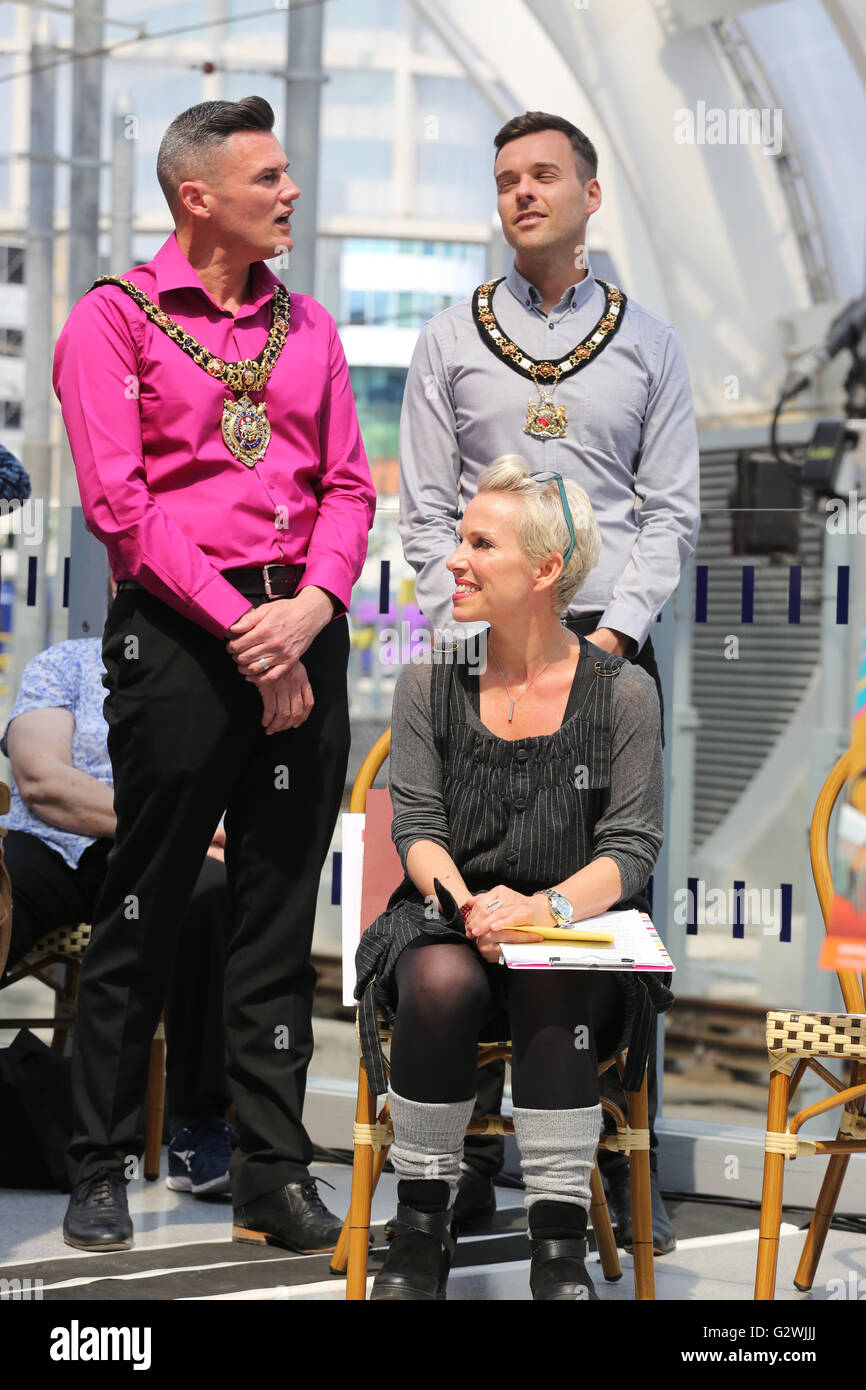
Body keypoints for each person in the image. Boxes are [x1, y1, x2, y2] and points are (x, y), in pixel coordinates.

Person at [52, 96, 376, 1253]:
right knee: (144, 899)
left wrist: (312, 609)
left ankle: (270, 1170)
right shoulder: (112, 320)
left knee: (277, 922)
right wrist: (255, 630)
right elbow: (120, 507)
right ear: (199, 197)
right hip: (185, 639)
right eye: (269, 178)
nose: (290, 193)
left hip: (299, 620)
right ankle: (94, 1161)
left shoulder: (313, 327)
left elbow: (350, 486)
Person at [398, 110, 700, 1250]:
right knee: (471, 887)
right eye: (505, 179)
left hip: (606, 649)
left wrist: (610, 641)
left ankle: (617, 1173)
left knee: (610, 897)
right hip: (485, 651)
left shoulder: (651, 343)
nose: (522, 193)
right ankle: (464, 1161)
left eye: (543, 176)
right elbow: (428, 513)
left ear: (589, 192)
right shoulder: (447, 335)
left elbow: (667, 509)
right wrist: (465, 638)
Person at [356, 460, 670, 1300]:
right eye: (459, 539)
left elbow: (631, 849)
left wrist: (544, 911)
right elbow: (416, 828)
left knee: (550, 979)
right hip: (448, 916)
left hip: (573, 935)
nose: (454, 560)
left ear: (543, 570)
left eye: (478, 543)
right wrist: (470, 908)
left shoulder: (625, 694)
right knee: (437, 973)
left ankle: (558, 1247)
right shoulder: (428, 680)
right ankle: (422, 1232)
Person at [0, 635, 237, 1195]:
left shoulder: (222, 676)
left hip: (164, 855)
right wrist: (173, 819)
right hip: (52, 844)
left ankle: (197, 1128)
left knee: (210, 895)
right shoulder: (67, 662)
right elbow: (39, 782)